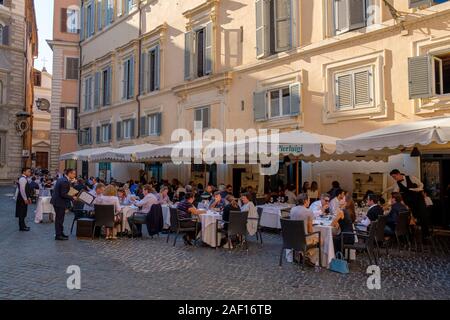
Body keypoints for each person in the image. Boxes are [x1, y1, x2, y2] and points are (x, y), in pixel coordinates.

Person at [388, 169, 429, 239]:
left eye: (394, 176)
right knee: (408, 218)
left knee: (423, 216)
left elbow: (421, 184)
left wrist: (418, 189)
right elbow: (394, 192)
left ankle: (425, 235)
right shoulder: (397, 183)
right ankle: (409, 235)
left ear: (398, 174)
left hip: (419, 200)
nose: (394, 178)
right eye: (393, 177)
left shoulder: (411, 177)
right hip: (409, 203)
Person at [288, 194, 319, 265]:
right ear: (305, 201)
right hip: (303, 239)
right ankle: (308, 256)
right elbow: (310, 230)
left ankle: (302, 255)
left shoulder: (292, 209)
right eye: (308, 200)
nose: (309, 202)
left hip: (292, 238)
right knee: (321, 239)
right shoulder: (309, 212)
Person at [51, 168, 78, 240]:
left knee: (60, 219)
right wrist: (73, 197)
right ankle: (58, 235)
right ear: (69, 174)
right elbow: (63, 194)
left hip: (58, 202)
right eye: (74, 174)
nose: (75, 175)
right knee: (59, 219)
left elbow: (65, 190)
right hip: (59, 202)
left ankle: (60, 233)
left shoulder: (63, 179)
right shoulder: (64, 181)